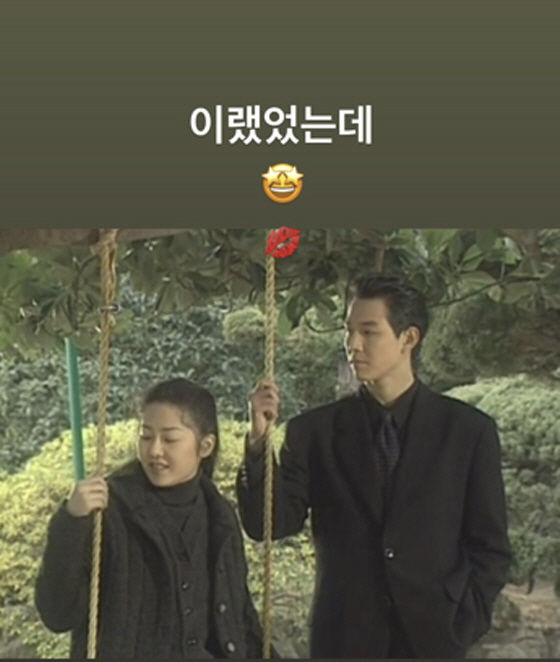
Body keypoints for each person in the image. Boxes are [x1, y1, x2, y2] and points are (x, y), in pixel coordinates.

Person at [236, 274, 512, 659]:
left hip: (434, 638)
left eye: (369, 332)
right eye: (348, 331)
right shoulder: (314, 432)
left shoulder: (467, 432)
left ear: (408, 338)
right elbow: (268, 524)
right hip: (344, 639)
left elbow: (490, 546)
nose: (353, 344)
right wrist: (258, 443)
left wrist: (465, 618)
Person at [35, 378, 264, 659]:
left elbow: (239, 618)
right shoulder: (108, 509)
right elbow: (58, 615)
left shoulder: (219, 515)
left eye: (169, 439)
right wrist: (71, 522)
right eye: (145, 436)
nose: (154, 450)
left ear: (205, 446)